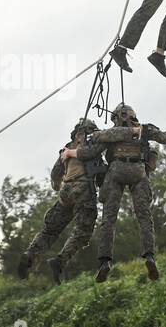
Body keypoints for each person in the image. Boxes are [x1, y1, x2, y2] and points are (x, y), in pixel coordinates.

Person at [90, 104, 166, 281]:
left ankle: (104, 261)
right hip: (138, 171)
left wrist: (77, 148)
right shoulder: (145, 130)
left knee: (109, 219)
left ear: (115, 117)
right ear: (133, 116)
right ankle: (150, 256)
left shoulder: (109, 133)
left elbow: (94, 146)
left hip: (116, 171)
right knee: (145, 218)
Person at [18, 118, 105, 284]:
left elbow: (54, 175)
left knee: (50, 230)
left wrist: (59, 186)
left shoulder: (67, 149)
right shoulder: (91, 149)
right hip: (83, 191)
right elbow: (101, 176)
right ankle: (60, 262)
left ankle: (30, 254)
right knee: (82, 231)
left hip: (65, 193)